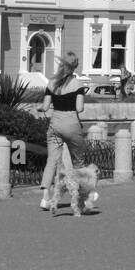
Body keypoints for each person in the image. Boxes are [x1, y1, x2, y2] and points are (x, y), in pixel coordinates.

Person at [38, 53, 89, 211]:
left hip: (55, 123)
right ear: (75, 67)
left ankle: (45, 197)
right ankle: (82, 200)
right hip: (71, 123)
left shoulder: (52, 82)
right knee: (78, 162)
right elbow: (79, 108)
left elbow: (45, 107)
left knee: (52, 160)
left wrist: (39, 108)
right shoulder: (77, 84)